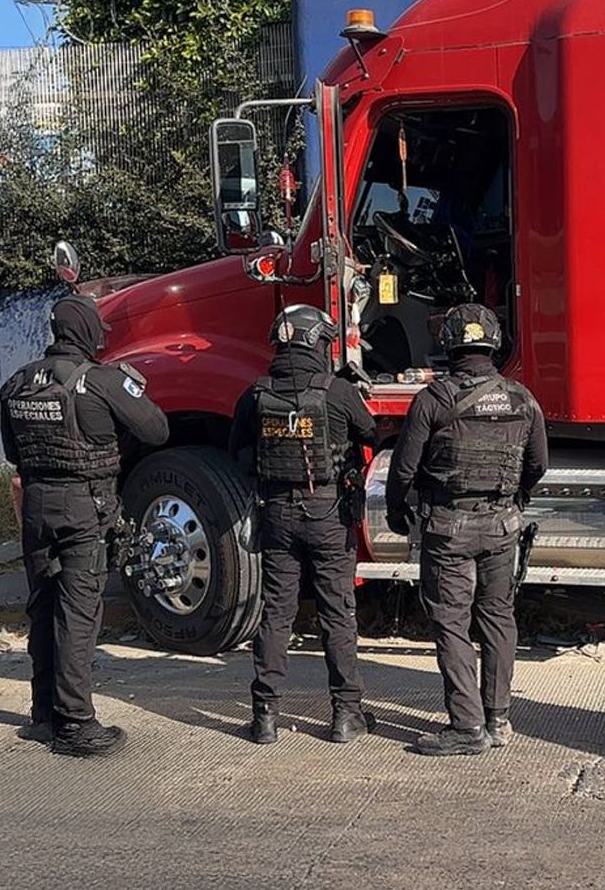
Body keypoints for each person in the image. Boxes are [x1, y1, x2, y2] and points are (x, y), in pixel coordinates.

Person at [0, 293, 168, 756]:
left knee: (43, 606)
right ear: (89, 333)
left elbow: (12, 454)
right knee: (77, 614)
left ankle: (43, 715)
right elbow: (157, 430)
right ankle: (75, 724)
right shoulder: (101, 382)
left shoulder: (17, 383)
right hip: (83, 510)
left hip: (36, 507)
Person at [384, 303, 548, 756]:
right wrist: (511, 497)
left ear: (448, 344)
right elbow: (538, 465)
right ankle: (498, 719)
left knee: (452, 623)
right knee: (497, 616)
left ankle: (466, 726)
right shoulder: (521, 398)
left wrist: (399, 513)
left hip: (449, 528)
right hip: (502, 525)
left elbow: (403, 470)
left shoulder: (433, 400)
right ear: (493, 343)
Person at [229, 305, 377, 745]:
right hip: (329, 514)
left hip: (277, 513)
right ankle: (346, 715)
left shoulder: (256, 394)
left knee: (276, 612)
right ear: (317, 343)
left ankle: (265, 717)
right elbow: (371, 434)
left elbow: (237, 451)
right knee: (337, 613)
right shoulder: (338, 391)